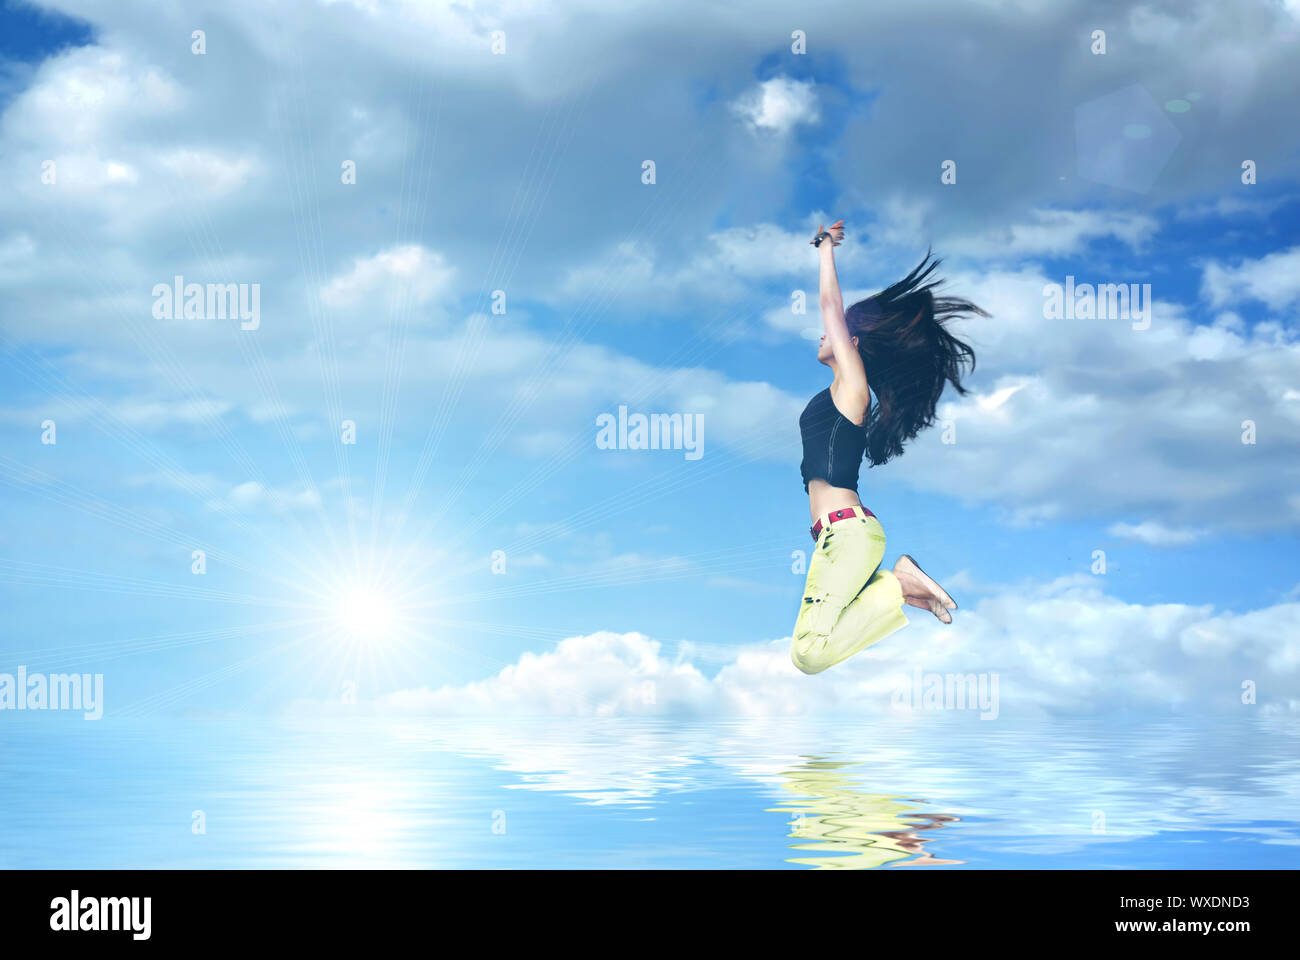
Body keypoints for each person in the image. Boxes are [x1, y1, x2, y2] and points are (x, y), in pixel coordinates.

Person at [791, 220, 986, 675]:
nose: (824, 335)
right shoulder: (836, 394)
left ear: (851, 344)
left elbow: (829, 306)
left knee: (809, 653)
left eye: (836, 333)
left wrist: (824, 249)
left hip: (849, 534)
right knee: (809, 651)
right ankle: (897, 585)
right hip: (834, 538)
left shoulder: (852, 385)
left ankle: (898, 584)